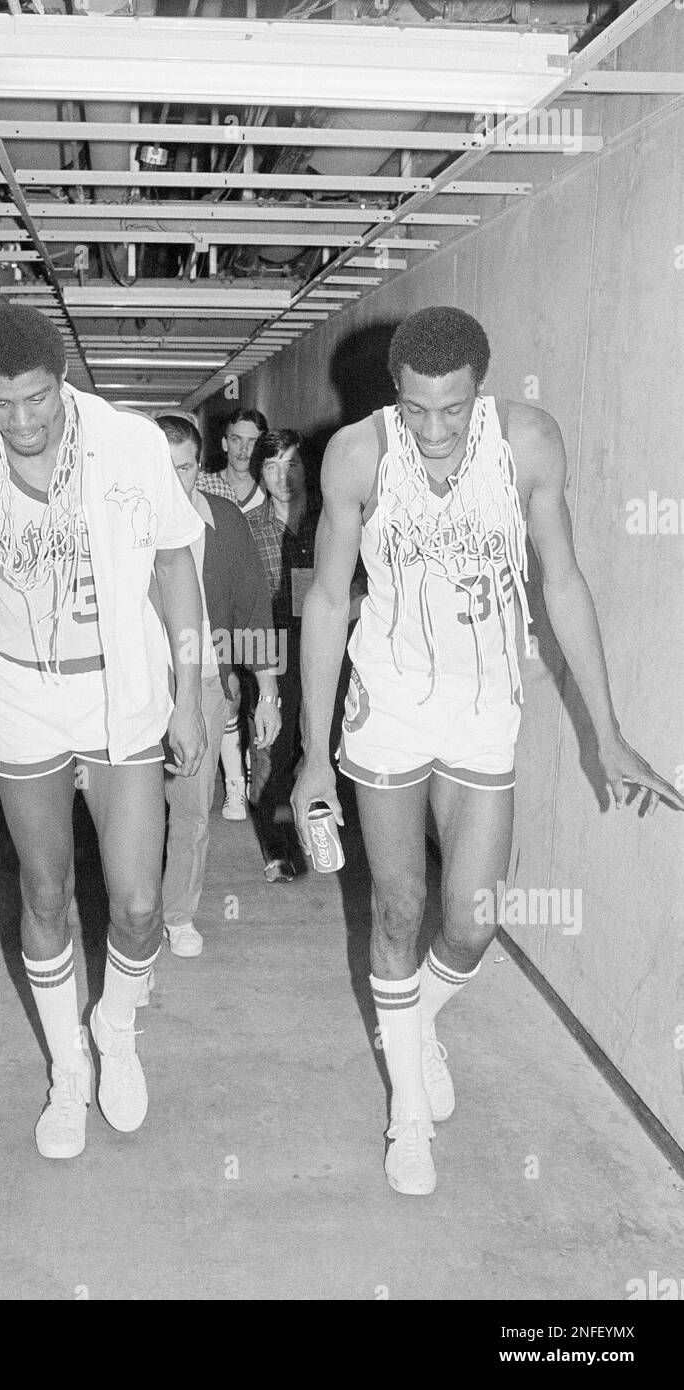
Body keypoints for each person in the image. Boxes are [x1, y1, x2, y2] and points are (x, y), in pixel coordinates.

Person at [291, 305, 684, 1197]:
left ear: (483, 390)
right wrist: (313, 754)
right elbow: (324, 601)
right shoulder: (358, 454)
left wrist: (607, 730)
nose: (433, 430)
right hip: (389, 702)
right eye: (416, 408)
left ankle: (415, 1020)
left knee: (472, 917)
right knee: (398, 909)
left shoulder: (529, 444)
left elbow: (564, 579)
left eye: (454, 409)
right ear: (396, 394)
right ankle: (406, 1111)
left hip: (482, 709)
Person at [0, 305, 207, 1161]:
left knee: (140, 901)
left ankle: (116, 1026)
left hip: (121, 694)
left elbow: (174, 566)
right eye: (1, 405)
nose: (22, 422)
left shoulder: (131, 446)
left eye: (37, 399)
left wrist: (188, 692)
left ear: (63, 379)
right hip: (23, 702)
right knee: (43, 895)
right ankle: (68, 1068)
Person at [153, 414, 281, 958]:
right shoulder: (118, 521)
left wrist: (267, 693)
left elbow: (253, 605)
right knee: (131, 810)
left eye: (182, 468)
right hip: (134, 685)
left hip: (203, 681)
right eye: (160, 467)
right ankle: (134, 912)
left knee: (190, 807)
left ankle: (177, 914)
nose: (171, 479)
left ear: (198, 467)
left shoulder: (224, 521)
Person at [245, 430, 320, 882]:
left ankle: (315, 826)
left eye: (291, 464)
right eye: (271, 467)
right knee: (272, 748)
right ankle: (278, 846)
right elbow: (247, 608)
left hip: (330, 645)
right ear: (260, 475)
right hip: (274, 647)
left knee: (320, 744)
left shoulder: (332, 522)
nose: (283, 476)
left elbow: (363, 587)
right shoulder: (250, 528)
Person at [198, 407, 269, 820]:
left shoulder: (271, 487)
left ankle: (249, 774)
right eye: (236, 440)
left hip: (261, 606)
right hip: (219, 607)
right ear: (224, 443)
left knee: (257, 695)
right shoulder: (204, 485)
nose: (244, 449)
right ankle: (233, 786)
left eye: (253, 441)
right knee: (228, 692)